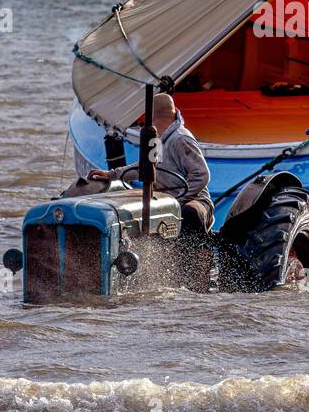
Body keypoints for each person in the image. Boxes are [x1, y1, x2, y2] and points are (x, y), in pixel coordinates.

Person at [88, 93, 214, 288]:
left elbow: (202, 176)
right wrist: (111, 174)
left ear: (153, 117)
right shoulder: (160, 139)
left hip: (193, 198)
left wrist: (180, 200)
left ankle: (199, 273)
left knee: (191, 214)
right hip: (166, 198)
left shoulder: (181, 139)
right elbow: (145, 168)